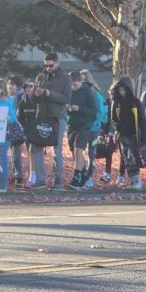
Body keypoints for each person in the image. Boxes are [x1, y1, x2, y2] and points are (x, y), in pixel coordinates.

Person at [30, 53, 72, 190]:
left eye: (50, 65)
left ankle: (58, 181)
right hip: (42, 116)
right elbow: (33, 99)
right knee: (37, 148)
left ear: (57, 63)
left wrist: (49, 93)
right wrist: (35, 94)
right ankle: (40, 181)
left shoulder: (65, 78)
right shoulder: (40, 77)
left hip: (57, 117)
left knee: (57, 150)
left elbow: (66, 99)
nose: (48, 68)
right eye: (46, 65)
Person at [110, 77, 145, 190]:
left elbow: (142, 120)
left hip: (133, 134)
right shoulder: (116, 103)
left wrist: (143, 135)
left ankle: (136, 180)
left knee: (133, 156)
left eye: (124, 90)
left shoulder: (135, 102)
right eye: (120, 90)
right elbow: (113, 119)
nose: (122, 92)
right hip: (122, 135)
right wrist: (117, 128)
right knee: (126, 158)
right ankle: (132, 179)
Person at [65, 70, 98, 190]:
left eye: (75, 85)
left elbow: (93, 110)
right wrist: (68, 108)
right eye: (71, 85)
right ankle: (83, 174)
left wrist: (79, 108)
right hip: (72, 124)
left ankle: (77, 176)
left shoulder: (87, 91)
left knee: (79, 150)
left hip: (84, 125)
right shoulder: (69, 92)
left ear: (80, 81)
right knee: (73, 151)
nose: (73, 87)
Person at [78, 69, 107, 189]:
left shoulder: (95, 93)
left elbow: (102, 112)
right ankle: (82, 175)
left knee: (91, 154)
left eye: (84, 79)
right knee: (79, 153)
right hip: (82, 128)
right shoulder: (79, 93)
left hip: (94, 129)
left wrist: (95, 123)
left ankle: (88, 178)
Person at [13, 79, 37, 187]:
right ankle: (32, 176)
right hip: (27, 131)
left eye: (31, 86)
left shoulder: (38, 102)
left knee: (36, 153)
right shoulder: (22, 102)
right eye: (26, 87)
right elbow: (20, 118)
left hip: (38, 131)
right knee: (31, 152)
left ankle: (36, 177)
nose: (28, 89)